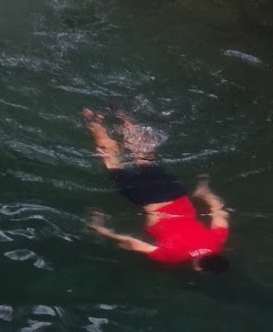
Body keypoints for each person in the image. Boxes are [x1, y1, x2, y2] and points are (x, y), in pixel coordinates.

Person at [83, 107, 230, 271]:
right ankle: (93, 120)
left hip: (175, 193)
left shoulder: (217, 242)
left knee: (144, 157)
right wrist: (104, 231)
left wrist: (205, 192)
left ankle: (121, 113)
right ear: (199, 268)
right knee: (112, 161)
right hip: (148, 199)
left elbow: (220, 212)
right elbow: (134, 243)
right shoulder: (173, 257)